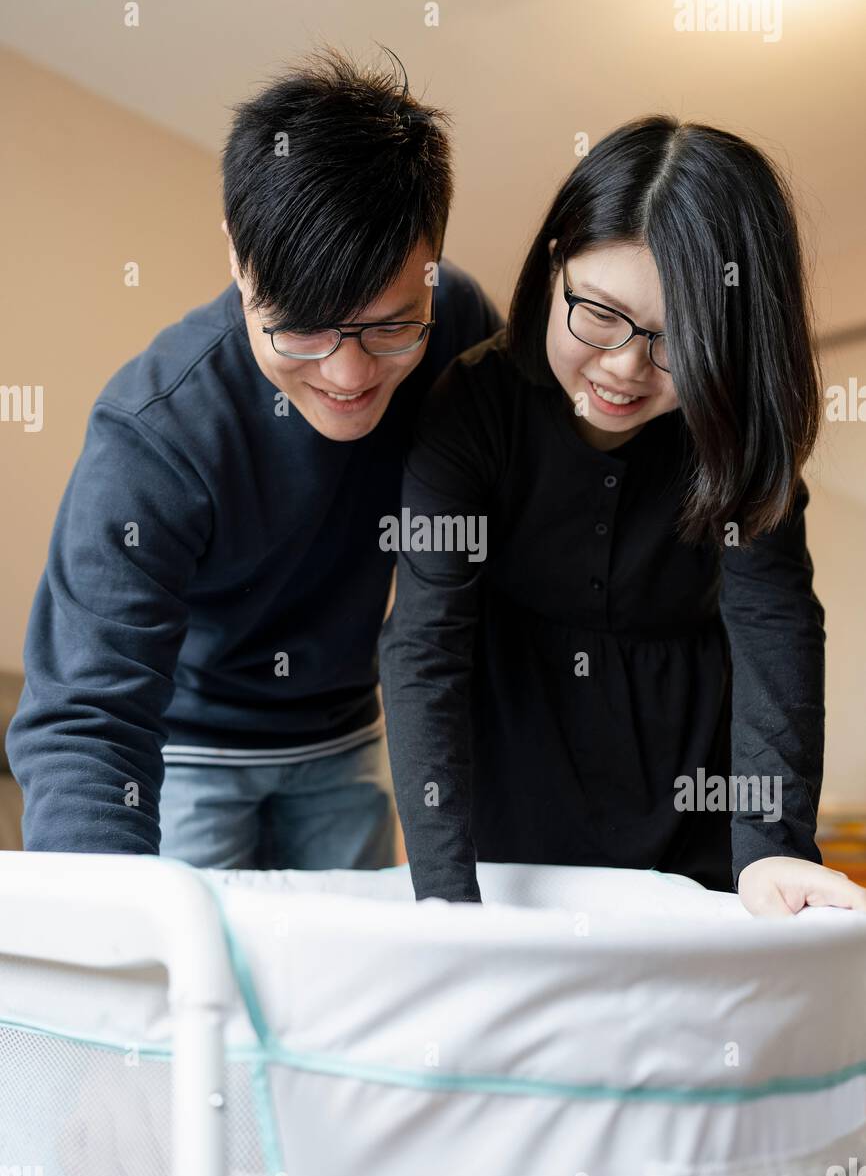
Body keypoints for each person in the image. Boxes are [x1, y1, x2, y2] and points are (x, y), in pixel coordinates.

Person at [7, 48, 501, 869]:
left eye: (389, 325)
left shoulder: (459, 330)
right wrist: (113, 934)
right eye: (301, 329)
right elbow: (84, 719)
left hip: (347, 737)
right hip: (187, 750)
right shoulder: (156, 432)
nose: (349, 377)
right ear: (238, 258)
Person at [380, 115, 866, 919]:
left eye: (679, 341)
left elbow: (774, 626)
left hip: (697, 807)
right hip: (515, 803)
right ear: (553, 267)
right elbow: (425, 648)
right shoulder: (472, 408)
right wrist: (443, 895)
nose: (623, 368)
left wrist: (773, 844)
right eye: (599, 314)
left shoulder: (734, 431)